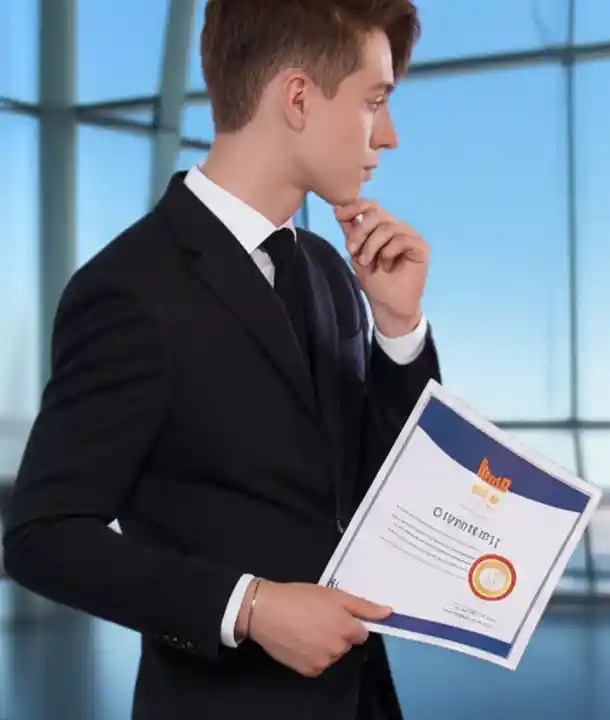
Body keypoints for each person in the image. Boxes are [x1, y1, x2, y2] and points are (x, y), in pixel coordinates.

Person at [1, 1, 437, 717]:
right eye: (374, 102)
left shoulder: (332, 273)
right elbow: (42, 537)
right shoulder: (130, 289)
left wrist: (399, 329)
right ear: (298, 97)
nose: (386, 136)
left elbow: (378, 491)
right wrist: (251, 607)